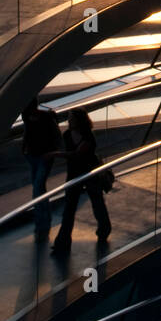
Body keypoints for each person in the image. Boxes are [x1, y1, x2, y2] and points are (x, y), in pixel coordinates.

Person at [51, 108, 111, 253]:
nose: (69, 120)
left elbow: (78, 154)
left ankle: (103, 230)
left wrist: (57, 154)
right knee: (71, 209)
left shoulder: (87, 136)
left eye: (71, 118)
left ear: (78, 120)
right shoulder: (77, 135)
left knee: (95, 204)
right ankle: (63, 242)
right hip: (79, 173)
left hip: (88, 173)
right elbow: (77, 154)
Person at [22, 98, 62, 239]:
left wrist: (53, 153)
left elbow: (57, 136)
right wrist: (24, 150)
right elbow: (27, 133)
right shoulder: (27, 116)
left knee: (38, 188)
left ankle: (42, 224)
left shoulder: (46, 117)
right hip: (33, 156)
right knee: (39, 188)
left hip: (44, 157)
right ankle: (44, 220)